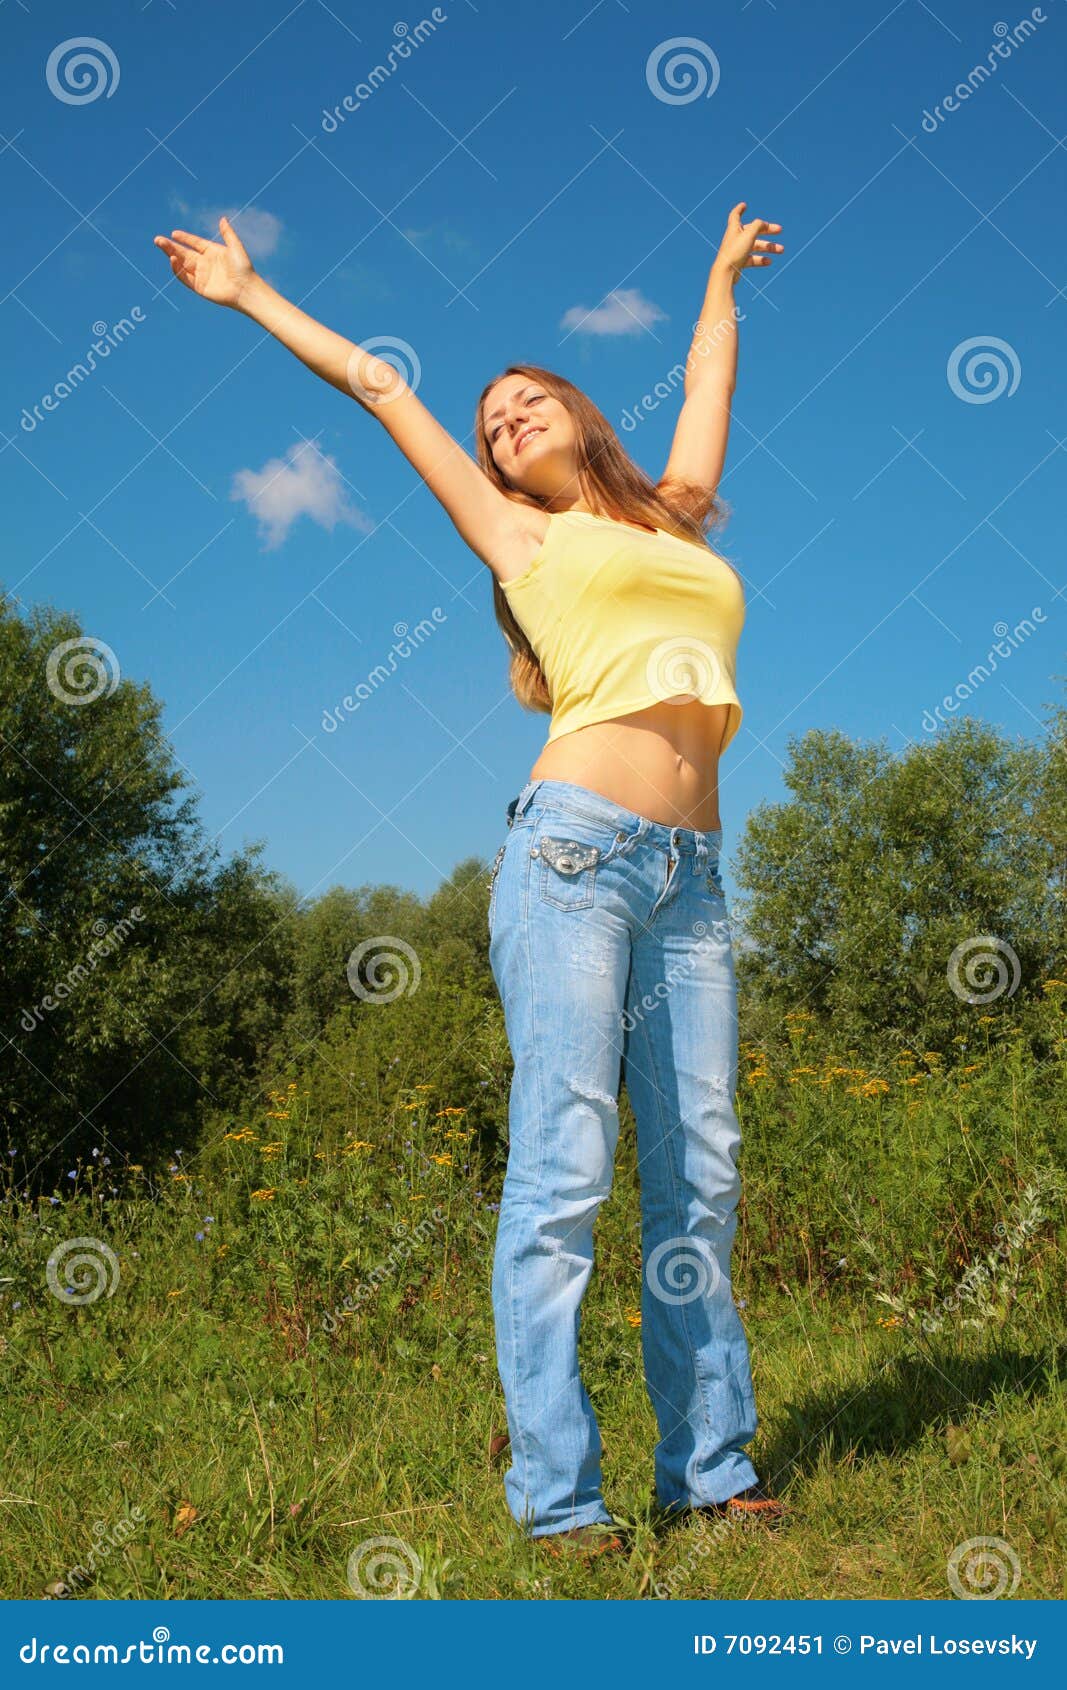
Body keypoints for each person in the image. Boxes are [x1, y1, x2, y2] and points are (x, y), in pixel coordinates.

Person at [153, 200, 787, 1551]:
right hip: (572, 858)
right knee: (564, 1174)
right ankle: (562, 1501)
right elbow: (382, 385)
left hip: (694, 877)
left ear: (579, 412)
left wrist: (720, 279)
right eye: (491, 418)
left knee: (703, 1179)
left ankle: (713, 1475)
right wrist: (251, 294)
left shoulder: (671, 520)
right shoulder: (519, 538)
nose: (501, 421)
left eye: (523, 401)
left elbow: (715, 378)